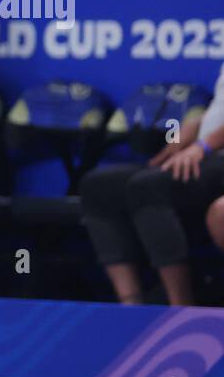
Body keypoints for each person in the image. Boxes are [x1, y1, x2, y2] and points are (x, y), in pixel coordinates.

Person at [80, 62, 224, 306]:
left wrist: (204, 146)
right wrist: (195, 127)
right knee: (98, 186)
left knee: (150, 186)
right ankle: (131, 306)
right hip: (205, 153)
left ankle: (179, 309)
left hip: (216, 156)